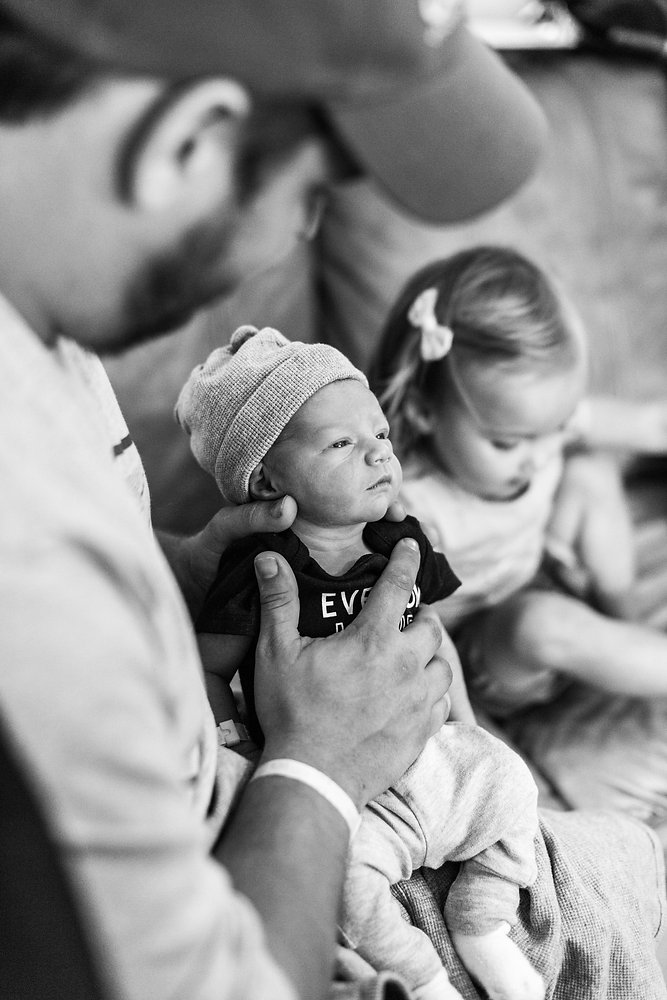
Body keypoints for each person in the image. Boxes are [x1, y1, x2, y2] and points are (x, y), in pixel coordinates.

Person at [0, 4, 664, 1000]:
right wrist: (318, 759)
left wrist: (172, 571)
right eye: (313, 191)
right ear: (185, 141)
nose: (307, 229)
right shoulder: (29, 569)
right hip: (311, 867)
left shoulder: (44, 331)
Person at [175, 324, 544, 1000]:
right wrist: (242, 750)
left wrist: (467, 729)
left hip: (427, 757)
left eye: (380, 436)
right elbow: (203, 669)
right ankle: (425, 979)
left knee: (514, 786)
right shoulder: (263, 570)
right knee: (344, 888)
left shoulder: (398, 540)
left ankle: (480, 921)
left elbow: (430, 633)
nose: (378, 455)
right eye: (343, 444)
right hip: (344, 788)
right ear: (265, 479)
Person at [369, 244, 667, 716]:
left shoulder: (542, 426)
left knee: (590, 465)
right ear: (424, 411)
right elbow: (404, 631)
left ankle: (622, 614)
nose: (543, 454)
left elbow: (651, 425)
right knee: (539, 625)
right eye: (509, 444)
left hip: (544, 572)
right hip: (488, 651)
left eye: (560, 424)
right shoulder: (414, 506)